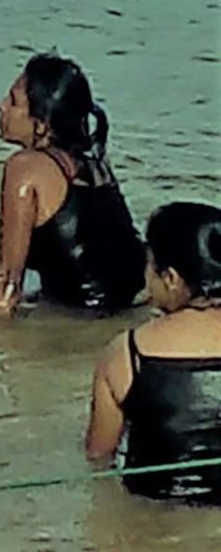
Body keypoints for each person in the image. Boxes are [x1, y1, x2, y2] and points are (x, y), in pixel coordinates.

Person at [0, 53, 144, 317]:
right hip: (134, 303)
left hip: (88, 319)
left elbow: (8, 278)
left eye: (13, 102)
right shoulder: (95, 165)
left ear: (41, 124)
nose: (1, 106)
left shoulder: (25, 167)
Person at [86, 201, 221, 503]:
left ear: (171, 278)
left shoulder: (127, 352)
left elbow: (98, 457)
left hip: (155, 525)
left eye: (150, 266)